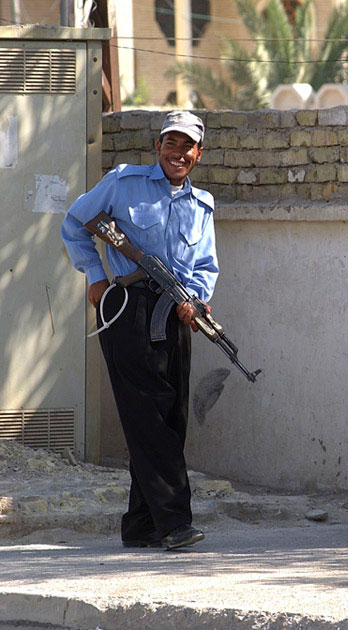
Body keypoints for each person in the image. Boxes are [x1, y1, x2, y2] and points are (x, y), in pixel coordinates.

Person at [61, 111, 216, 550]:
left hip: (176, 313)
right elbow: (74, 222)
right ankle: (174, 523)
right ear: (158, 146)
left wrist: (196, 301)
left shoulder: (201, 205)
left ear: (198, 154)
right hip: (127, 307)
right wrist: (94, 273)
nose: (178, 153)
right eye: (171, 143)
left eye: (187, 146)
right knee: (147, 415)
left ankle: (140, 524)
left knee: (171, 417)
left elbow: (205, 264)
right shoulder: (123, 182)